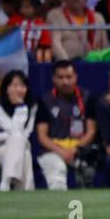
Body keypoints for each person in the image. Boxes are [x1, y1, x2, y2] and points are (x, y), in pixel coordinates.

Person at [34, 60, 98, 190]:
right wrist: (62, 152)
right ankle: (59, 209)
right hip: (52, 151)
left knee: (89, 171)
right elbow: (42, 136)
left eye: (69, 77)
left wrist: (76, 150)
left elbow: (91, 131)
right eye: (60, 77)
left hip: (79, 150)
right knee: (58, 170)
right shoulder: (45, 101)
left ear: (75, 77)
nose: (65, 81)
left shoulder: (87, 98)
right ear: (53, 79)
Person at [0, 70, 37, 191]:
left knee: (23, 147)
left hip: (20, 145)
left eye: (22, 86)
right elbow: (13, 130)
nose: (19, 90)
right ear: (6, 88)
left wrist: (22, 107)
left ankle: (6, 183)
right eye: (15, 85)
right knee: (22, 149)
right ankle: (25, 190)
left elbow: (27, 133)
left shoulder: (32, 106)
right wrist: (20, 108)